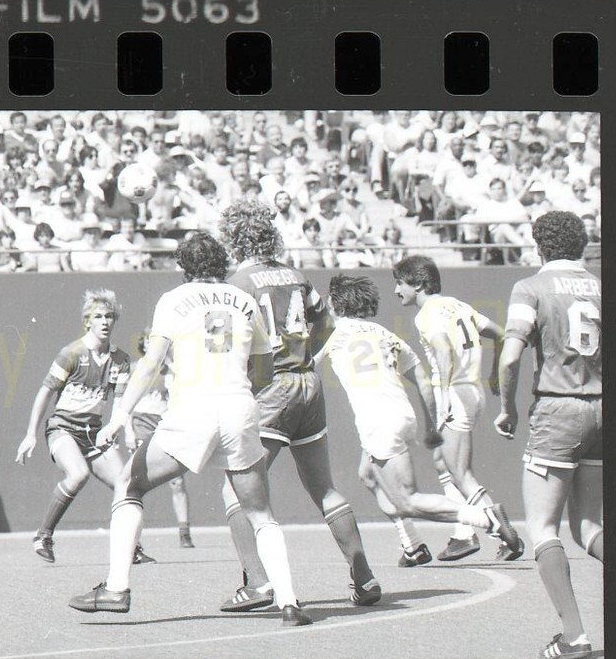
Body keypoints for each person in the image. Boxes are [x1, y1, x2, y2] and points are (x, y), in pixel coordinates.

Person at [69, 233, 311, 626]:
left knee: (128, 484)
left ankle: (116, 587)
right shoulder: (245, 300)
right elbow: (265, 372)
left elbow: (151, 364)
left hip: (193, 410)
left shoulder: (173, 299)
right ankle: (289, 602)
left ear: (184, 267)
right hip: (239, 408)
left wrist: (118, 417)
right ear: (223, 264)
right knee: (260, 512)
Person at [215, 200, 381, 613]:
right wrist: (303, 356)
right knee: (323, 487)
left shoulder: (238, 283)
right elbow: (325, 325)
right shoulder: (297, 276)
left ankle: (257, 582)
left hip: (270, 386)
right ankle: (364, 576)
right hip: (307, 382)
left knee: (237, 488)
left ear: (234, 238)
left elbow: (226, 346)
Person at [318, 275, 520, 557]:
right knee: (368, 475)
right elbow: (423, 382)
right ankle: (412, 546)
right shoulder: (386, 335)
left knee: (407, 500)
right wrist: (429, 426)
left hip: (377, 422)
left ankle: (486, 519)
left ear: (335, 305)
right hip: (403, 415)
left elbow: (302, 366)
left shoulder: (333, 336)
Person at [495, 211, 602, 659]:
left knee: (541, 527)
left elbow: (509, 358)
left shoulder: (530, 287)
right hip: (603, 410)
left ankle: (574, 636)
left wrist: (507, 408)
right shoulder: (602, 286)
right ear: (581, 245)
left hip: (558, 409)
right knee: (590, 528)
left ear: (539, 246)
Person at [392, 255, 523, 564]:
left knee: (461, 473)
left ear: (418, 284)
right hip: (472, 391)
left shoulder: (426, 314)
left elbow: (443, 350)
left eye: (400, 283)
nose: (397, 290)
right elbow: (501, 334)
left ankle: (503, 533)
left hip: (454, 394)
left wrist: (445, 395)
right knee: (443, 464)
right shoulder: (458, 306)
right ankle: (463, 535)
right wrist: (494, 373)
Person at [15, 289, 154, 565]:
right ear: (87, 321)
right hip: (63, 428)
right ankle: (43, 536)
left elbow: (120, 400)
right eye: (98, 316)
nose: (104, 321)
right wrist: (31, 434)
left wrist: (116, 428)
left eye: (109, 316)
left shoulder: (120, 359)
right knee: (78, 475)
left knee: (126, 485)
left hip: (94, 433)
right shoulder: (72, 353)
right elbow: (45, 392)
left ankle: (132, 547)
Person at [125, 331, 194, 548]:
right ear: (144, 345)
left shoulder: (171, 371)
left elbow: (178, 398)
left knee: (177, 481)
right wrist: (128, 432)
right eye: (150, 341)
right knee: (135, 482)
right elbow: (125, 403)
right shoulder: (136, 369)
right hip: (140, 426)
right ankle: (133, 538)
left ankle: (184, 532)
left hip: (164, 425)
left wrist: (172, 364)